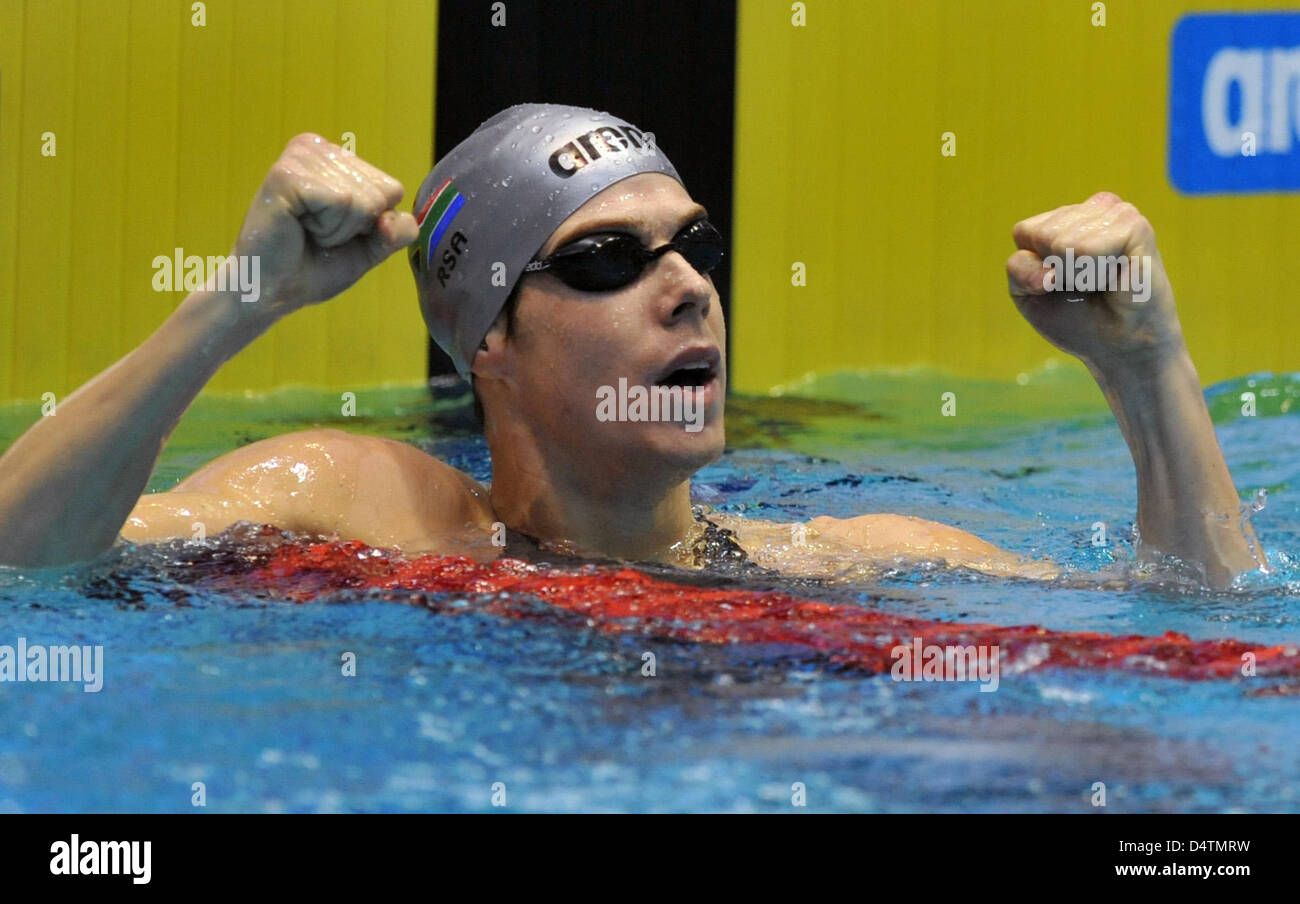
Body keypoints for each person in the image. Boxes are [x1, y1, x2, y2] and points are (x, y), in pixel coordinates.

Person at [0, 104, 1263, 588]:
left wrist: (1147, 368)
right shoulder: (358, 507)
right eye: (607, 258)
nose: (686, 288)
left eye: (694, 247)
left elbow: (1204, 634)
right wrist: (237, 303)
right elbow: (18, 566)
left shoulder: (845, 565)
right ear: (485, 340)